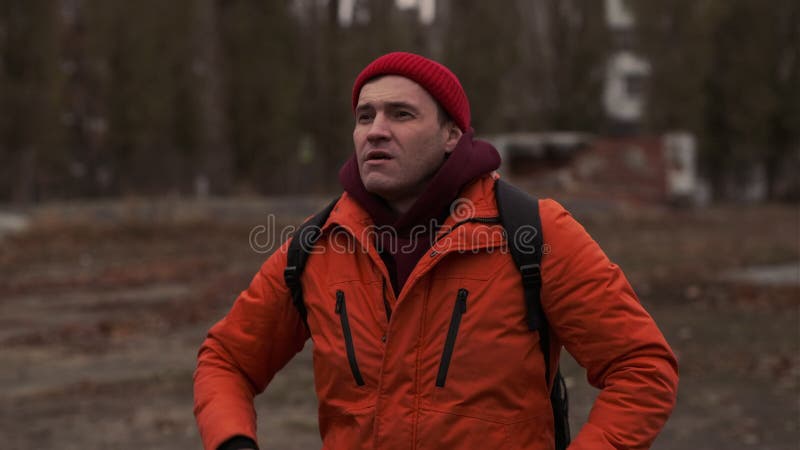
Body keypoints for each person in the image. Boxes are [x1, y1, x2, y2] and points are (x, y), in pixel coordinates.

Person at [193, 52, 678, 450]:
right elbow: (227, 359)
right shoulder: (317, 246)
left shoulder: (534, 231)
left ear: (452, 135)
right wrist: (232, 442)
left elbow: (642, 368)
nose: (376, 130)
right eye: (365, 116)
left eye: (401, 114)